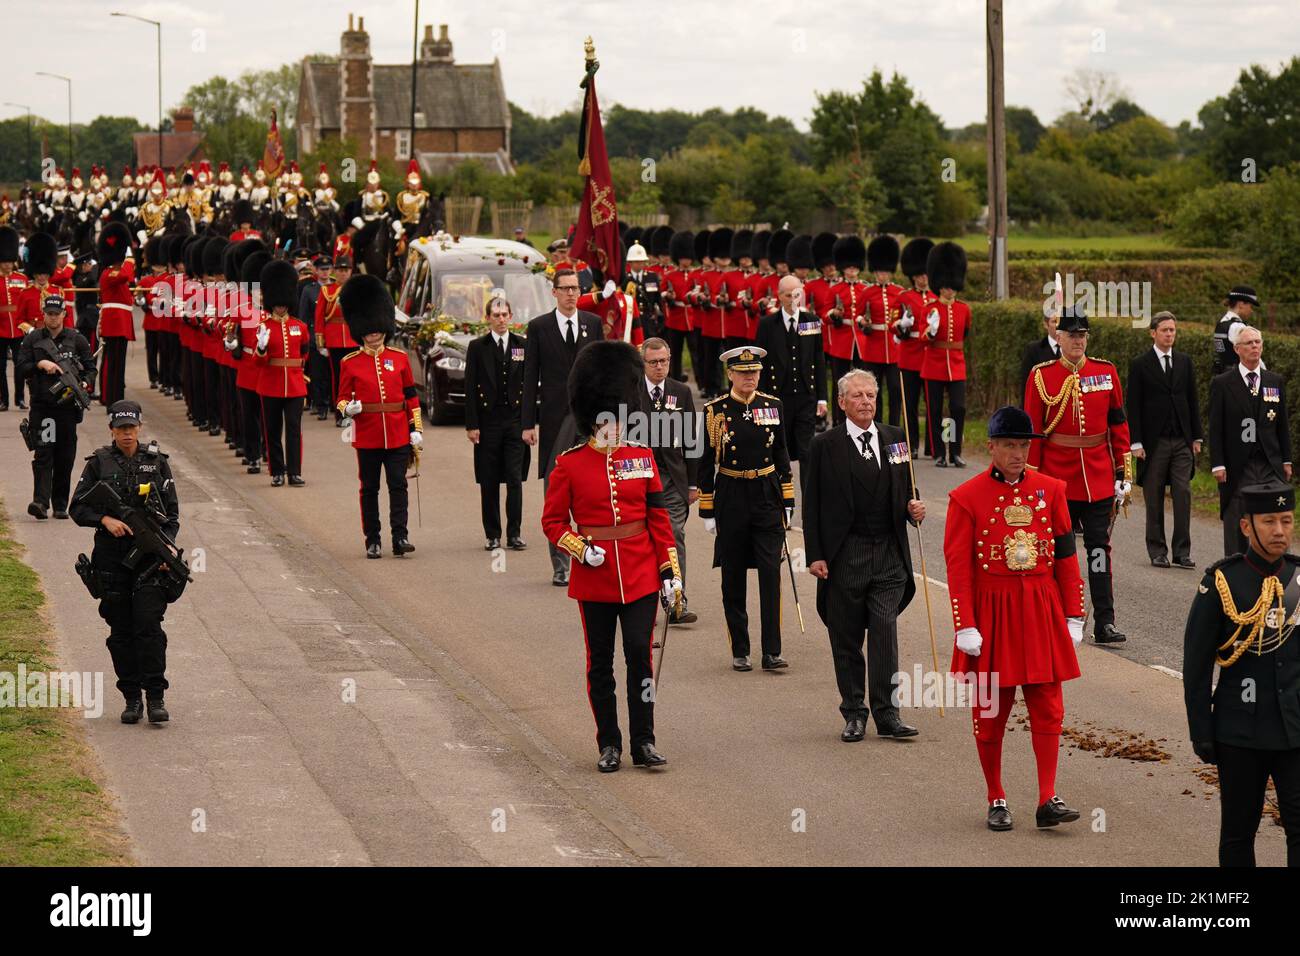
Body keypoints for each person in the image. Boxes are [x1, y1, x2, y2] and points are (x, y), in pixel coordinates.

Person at [541, 339, 680, 773]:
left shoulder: (642, 458)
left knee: (640, 652)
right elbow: (552, 523)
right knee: (599, 663)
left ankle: (644, 740)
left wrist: (671, 573)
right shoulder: (569, 465)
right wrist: (581, 549)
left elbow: (659, 521)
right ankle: (609, 743)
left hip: (640, 574)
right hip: (595, 578)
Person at [946, 405, 1085, 831]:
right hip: (992, 612)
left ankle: (1048, 797)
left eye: (1023, 445)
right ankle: (996, 797)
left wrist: (1074, 612)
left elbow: (1065, 556)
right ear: (990, 446)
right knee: (991, 712)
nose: (1017, 453)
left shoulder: (1051, 490)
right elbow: (958, 567)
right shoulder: (966, 497)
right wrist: (964, 623)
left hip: (1040, 608)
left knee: (1048, 705)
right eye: (1009, 445)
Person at [1183, 479, 1300, 867]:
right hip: (1239, 732)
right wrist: (1202, 730)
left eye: (1287, 520)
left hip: (1295, 729)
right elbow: (1197, 666)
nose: (1280, 531)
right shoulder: (1221, 582)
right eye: (1269, 521)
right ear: (1247, 526)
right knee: (1238, 833)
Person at [804, 369, 923, 741]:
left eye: (870, 395)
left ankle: (888, 713)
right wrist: (816, 554)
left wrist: (912, 508)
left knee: (885, 631)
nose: (866, 402)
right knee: (846, 636)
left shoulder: (895, 438)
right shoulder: (824, 446)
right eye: (857, 396)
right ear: (841, 402)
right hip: (846, 555)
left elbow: (906, 488)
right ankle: (854, 712)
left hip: (889, 554)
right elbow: (813, 505)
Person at [70, 400, 183, 724]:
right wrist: (105, 519)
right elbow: (77, 508)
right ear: (112, 431)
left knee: (148, 626)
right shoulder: (98, 464)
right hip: (112, 557)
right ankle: (131, 697)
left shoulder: (157, 462)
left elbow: (172, 515)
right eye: (121, 428)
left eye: (131, 428)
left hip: (149, 558)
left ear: (140, 428)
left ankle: (155, 696)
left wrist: (168, 547)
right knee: (120, 630)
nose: (127, 433)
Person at [1024, 305, 1131, 644]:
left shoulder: (1105, 372)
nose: (1078, 341)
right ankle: (1055, 617)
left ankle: (1105, 621)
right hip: (1058, 481)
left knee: (1099, 551)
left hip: (1097, 478)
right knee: (1059, 552)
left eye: (1082, 335)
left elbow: (1118, 425)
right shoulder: (1042, 376)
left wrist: (1123, 473)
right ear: (1059, 337)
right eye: (1072, 335)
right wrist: (1033, 481)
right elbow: (1035, 434)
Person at [698, 345, 794, 672]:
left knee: (771, 574)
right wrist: (707, 509)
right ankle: (740, 648)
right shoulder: (715, 411)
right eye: (742, 372)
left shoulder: (773, 406)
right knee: (733, 576)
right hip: (732, 493)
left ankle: (772, 651)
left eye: (754, 372)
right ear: (730, 374)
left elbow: (781, 454)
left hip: (766, 494)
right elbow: (703, 462)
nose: (749, 377)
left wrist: (789, 499)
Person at [522, 269, 603, 586]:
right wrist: (528, 423)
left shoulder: (592, 324)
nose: (571, 293)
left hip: (589, 420)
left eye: (576, 288)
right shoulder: (539, 327)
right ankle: (560, 564)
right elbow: (530, 377)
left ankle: (591, 554)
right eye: (565, 288)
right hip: (555, 421)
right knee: (556, 493)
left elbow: (601, 371)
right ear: (553, 292)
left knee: (592, 491)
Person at [337, 274, 421, 559]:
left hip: (397, 433)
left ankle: (400, 536)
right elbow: (340, 400)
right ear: (360, 329)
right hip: (368, 435)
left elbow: (411, 396)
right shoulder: (350, 363)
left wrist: (415, 428)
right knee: (369, 489)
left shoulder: (398, 358)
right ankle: (372, 539)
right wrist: (348, 409)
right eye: (368, 329)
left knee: (398, 486)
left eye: (377, 328)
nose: (373, 333)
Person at [1126, 311, 1202, 569]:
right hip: (1153, 442)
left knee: (1183, 493)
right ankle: (1157, 550)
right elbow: (1133, 406)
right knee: (1154, 496)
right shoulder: (1140, 364)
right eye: (1165, 330)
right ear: (1153, 333)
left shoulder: (1184, 362)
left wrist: (1197, 436)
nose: (1170, 334)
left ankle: (1182, 551)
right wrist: (1135, 442)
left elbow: (1192, 400)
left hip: (1181, 439)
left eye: (1173, 330)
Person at [1209, 326, 1292, 557]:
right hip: (1238, 465)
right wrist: (1218, 463)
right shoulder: (1223, 383)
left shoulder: (1274, 381)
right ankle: (1236, 571)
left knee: (1277, 512)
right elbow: (1215, 428)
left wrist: (1286, 460)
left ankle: (1281, 571)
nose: (1255, 346)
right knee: (1238, 516)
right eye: (1249, 343)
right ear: (1237, 349)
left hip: (1269, 463)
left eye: (1258, 342)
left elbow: (1282, 425)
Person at [16, 293, 95, 519]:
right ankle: (40, 502)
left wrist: (84, 382)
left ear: (64, 314)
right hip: (43, 406)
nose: (52, 318)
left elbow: (91, 369)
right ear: (43, 315)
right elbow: (21, 367)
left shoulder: (77, 339)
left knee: (65, 455)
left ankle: (60, 504)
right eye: (49, 314)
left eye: (56, 314)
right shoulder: (33, 340)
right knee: (43, 452)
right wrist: (40, 364)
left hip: (67, 409)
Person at [638, 337, 699, 625]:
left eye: (664, 361)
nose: (660, 367)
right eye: (653, 362)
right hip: (639, 477)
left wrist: (694, 483)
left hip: (673, 479)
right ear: (643, 363)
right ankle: (646, 602)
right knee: (643, 539)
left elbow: (692, 439)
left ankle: (677, 600)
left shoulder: (681, 392)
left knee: (674, 535)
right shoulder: (630, 392)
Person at [465, 295, 529, 551]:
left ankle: (514, 534)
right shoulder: (477, 347)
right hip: (488, 421)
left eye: (505, 315)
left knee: (514, 479)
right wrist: (471, 424)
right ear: (488, 318)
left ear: (510, 317)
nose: (501, 319)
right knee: (489, 479)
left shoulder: (521, 345)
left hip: (514, 422)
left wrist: (528, 425)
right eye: (496, 315)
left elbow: (529, 385)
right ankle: (492, 534)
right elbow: (470, 387)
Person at [755, 274, 826, 496]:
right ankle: (780, 503)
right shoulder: (768, 324)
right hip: (777, 397)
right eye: (788, 295)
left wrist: (822, 398)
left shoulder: (811, 321)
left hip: (806, 396)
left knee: (807, 453)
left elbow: (819, 361)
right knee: (778, 451)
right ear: (780, 296)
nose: (793, 299)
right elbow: (762, 365)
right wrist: (760, 398)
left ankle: (809, 507)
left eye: (797, 294)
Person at [253, 258, 309, 487]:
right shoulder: (263, 326)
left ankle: (294, 471)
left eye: (283, 302)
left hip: (295, 385)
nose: (280, 306)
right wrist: (262, 347)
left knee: (294, 429)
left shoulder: (300, 326)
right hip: (271, 384)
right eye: (277, 303)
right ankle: (277, 471)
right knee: (273, 430)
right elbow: (258, 361)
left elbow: (305, 353)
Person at [920, 241, 971, 468]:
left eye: (953, 286)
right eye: (946, 285)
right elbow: (923, 338)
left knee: (957, 408)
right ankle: (940, 453)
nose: (949, 289)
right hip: (934, 364)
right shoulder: (929, 309)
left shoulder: (964, 309)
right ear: (939, 285)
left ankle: (955, 451)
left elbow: (965, 333)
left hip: (957, 364)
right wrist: (931, 331)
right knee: (935, 410)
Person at [894, 237, 936, 455]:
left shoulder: (935, 297)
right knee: (909, 404)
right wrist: (902, 326)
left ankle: (931, 446)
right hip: (909, 355)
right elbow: (895, 327)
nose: (922, 279)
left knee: (931, 404)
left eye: (925, 274)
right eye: (919, 275)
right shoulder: (904, 297)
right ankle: (911, 446)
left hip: (929, 357)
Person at [315, 255, 357, 426]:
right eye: (339, 270)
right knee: (338, 379)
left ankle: (354, 413)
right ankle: (341, 414)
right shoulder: (327, 290)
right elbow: (319, 318)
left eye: (345, 270)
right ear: (335, 271)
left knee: (355, 378)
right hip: (334, 339)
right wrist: (320, 341)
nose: (343, 274)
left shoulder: (356, 289)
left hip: (353, 338)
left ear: (350, 271)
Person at [0, 225, 30, 411]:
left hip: (19, 328)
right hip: (0, 328)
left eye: (10, 261)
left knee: (21, 366)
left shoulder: (22, 278)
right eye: (4, 261)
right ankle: (3, 400)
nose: (8, 264)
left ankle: (20, 398)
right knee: (0, 368)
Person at [1212, 285, 1260, 377]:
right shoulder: (1237, 327)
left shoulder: (1222, 323)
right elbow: (1253, 356)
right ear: (1241, 304)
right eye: (1250, 306)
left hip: (1222, 376)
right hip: (1237, 378)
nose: (1251, 311)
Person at [1018, 308, 1061, 403]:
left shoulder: (1074, 349)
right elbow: (1026, 383)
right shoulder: (1033, 350)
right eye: (1054, 321)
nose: (1058, 325)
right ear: (1046, 325)